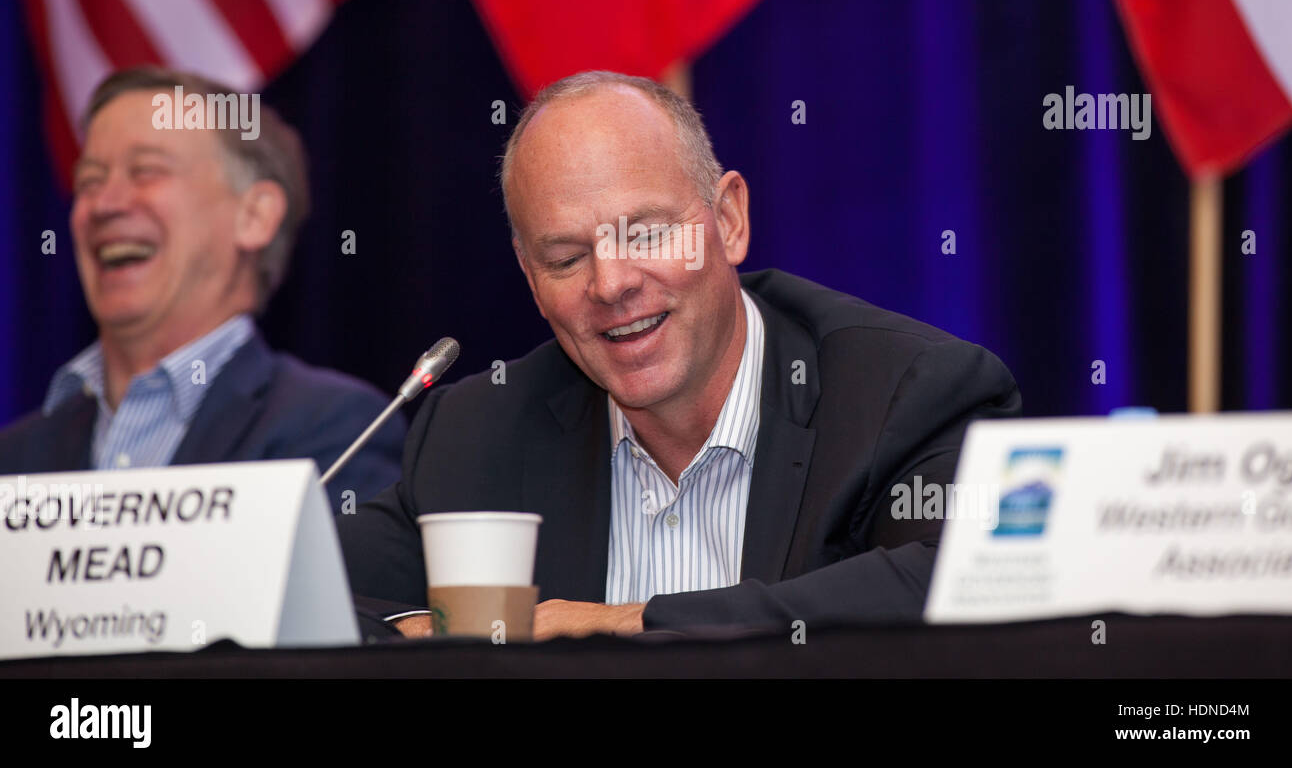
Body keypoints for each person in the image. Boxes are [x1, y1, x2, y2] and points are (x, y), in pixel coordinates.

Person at [339, 70, 1021, 639]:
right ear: (530, 279)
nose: (611, 283)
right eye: (567, 257)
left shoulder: (900, 393)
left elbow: (971, 581)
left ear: (728, 221)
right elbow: (310, 592)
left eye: (645, 233)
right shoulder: (478, 430)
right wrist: (422, 634)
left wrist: (630, 625)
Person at [0, 66, 403, 511]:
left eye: (146, 171)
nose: (105, 204)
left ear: (255, 216)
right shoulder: (15, 457)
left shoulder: (333, 431)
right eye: (89, 181)